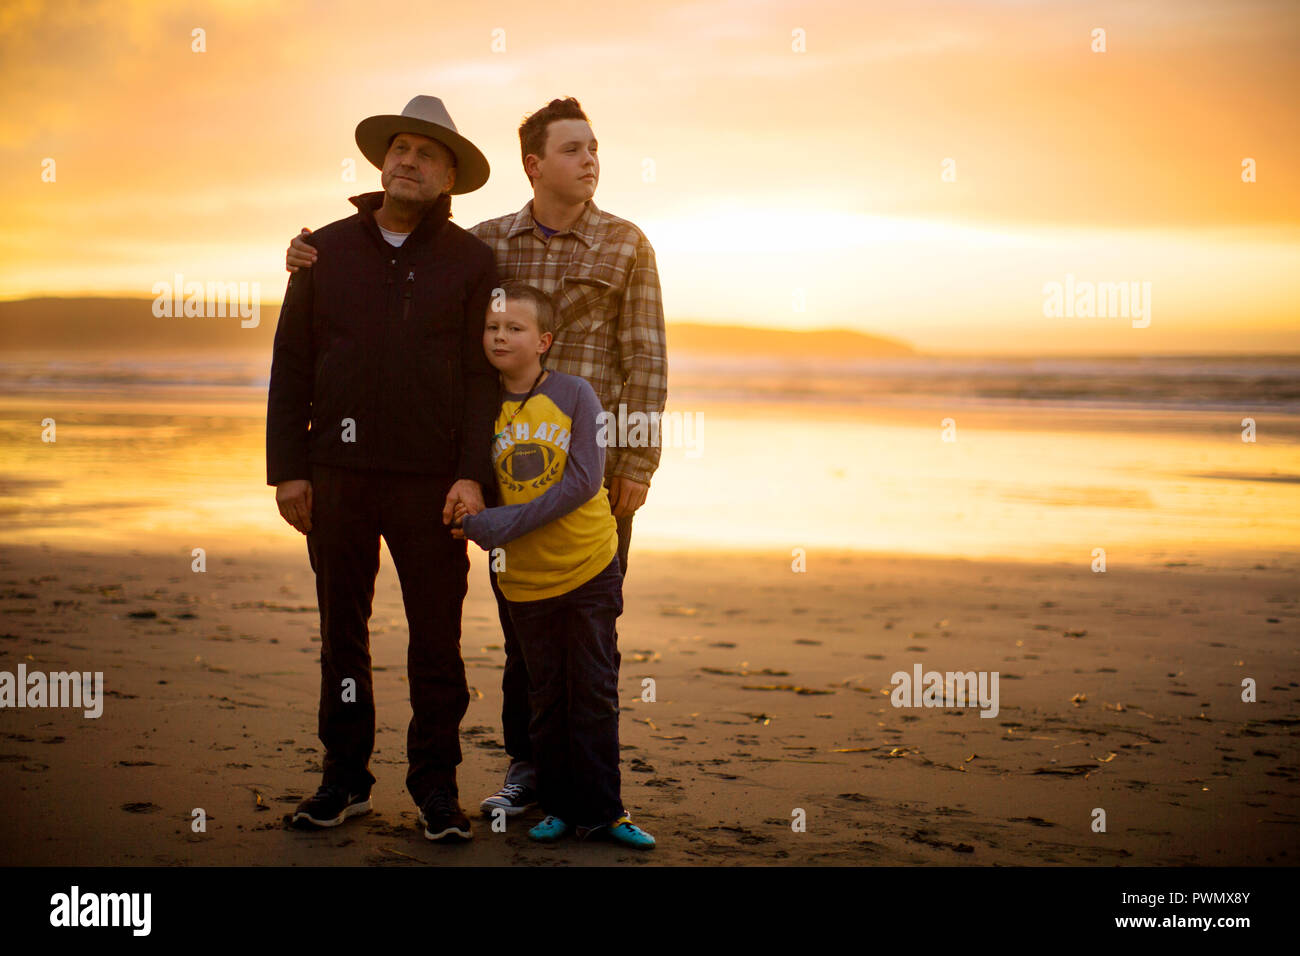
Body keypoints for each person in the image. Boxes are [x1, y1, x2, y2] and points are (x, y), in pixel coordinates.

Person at [286, 97, 668, 819]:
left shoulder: (626, 244)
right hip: (510, 470)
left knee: (591, 630)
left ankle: (591, 791)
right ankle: (529, 769)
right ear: (534, 165)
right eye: (573, 149)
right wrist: (309, 250)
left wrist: (638, 463)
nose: (590, 161)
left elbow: (645, 357)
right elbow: (436, 320)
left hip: (592, 477)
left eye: (595, 149)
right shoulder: (488, 245)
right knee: (523, 629)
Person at [266, 95, 499, 842]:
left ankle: (436, 786)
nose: (409, 160)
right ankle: (344, 780)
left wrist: (471, 475)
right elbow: (292, 363)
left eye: (427, 154)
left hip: (432, 483)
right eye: (400, 147)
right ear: (381, 160)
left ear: (449, 178)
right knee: (343, 633)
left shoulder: (472, 262)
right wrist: (288, 470)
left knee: (436, 638)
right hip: (336, 475)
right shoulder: (325, 249)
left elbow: (479, 379)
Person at [450, 281, 654, 849]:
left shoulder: (574, 394)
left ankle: (606, 810)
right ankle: (559, 806)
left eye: (514, 328)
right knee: (545, 693)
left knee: (591, 689)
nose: (500, 337)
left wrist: (493, 527)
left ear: (543, 341)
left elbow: (584, 482)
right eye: (492, 328)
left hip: (588, 565)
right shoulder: (479, 404)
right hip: (524, 578)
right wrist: (472, 515)